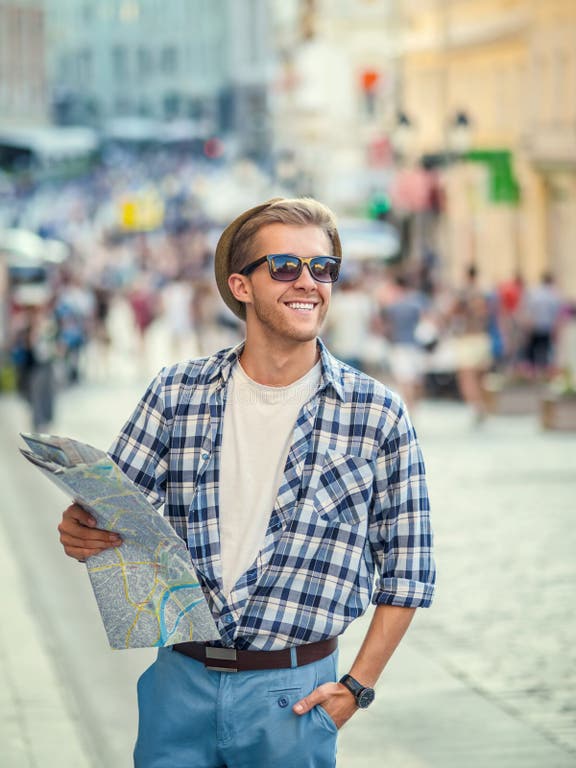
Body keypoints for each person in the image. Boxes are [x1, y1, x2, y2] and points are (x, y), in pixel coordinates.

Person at [57, 198, 435, 768]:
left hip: (294, 697)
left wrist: (356, 688)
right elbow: (110, 507)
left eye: (323, 267)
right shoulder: (177, 392)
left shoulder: (376, 414)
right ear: (241, 285)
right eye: (285, 267)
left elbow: (408, 571)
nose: (308, 282)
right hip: (179, 685)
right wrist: (78, 528)